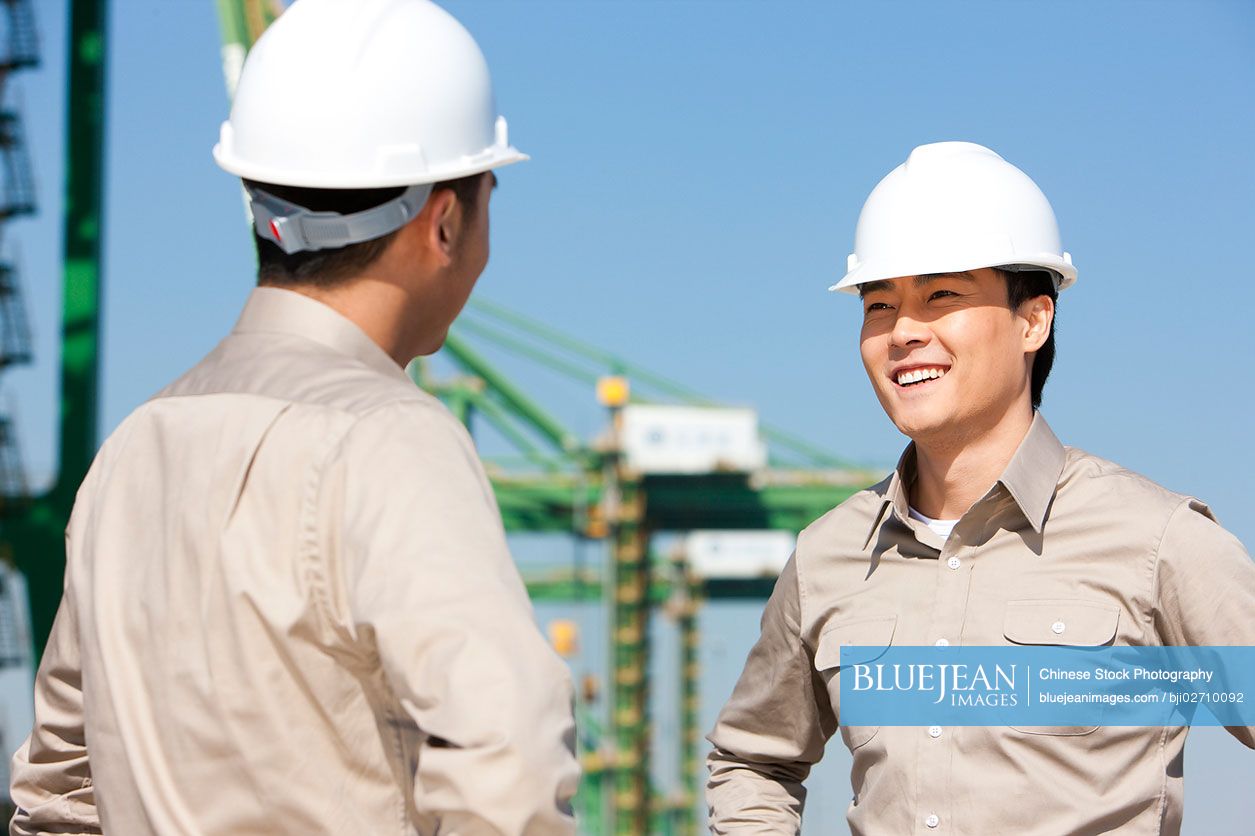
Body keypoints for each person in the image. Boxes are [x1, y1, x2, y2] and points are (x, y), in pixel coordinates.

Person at [9, 1, 580, 833]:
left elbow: (58, 788)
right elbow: (510, 771)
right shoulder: (390, 440)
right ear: (446, 219)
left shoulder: (132, 448)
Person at [706, 141, 1255, 834]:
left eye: (940, 296)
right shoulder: (828, 557)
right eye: (878, 305)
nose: (902, 331)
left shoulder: (1157, 543)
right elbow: (754, 759)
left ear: (1033, 319)